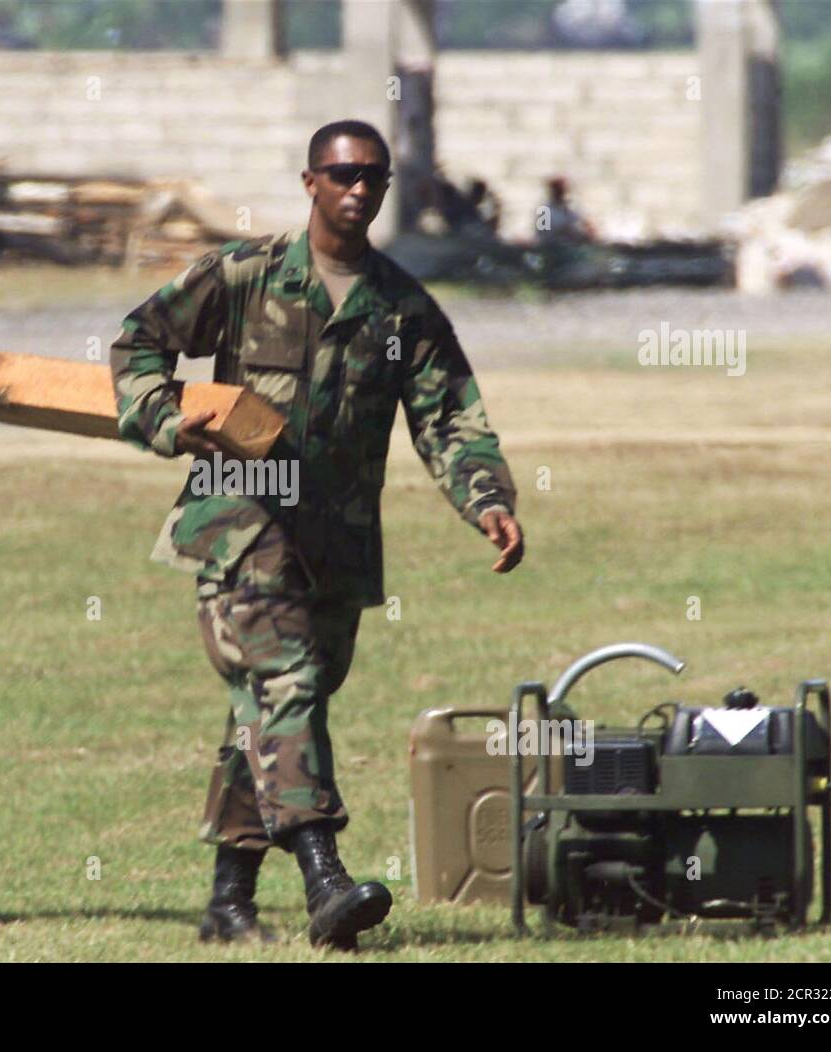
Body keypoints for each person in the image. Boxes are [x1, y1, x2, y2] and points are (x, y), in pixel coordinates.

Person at [111, 119, 523, 950]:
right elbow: (137, 343)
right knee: (289, 684)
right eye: (343, 175)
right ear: (310, 183)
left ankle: (228, 903)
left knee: (269, 711)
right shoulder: (245, 275)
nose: (360, 190)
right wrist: (166, 419)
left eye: (374, 176)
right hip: (240, 526)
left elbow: (449, 420)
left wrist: (487, 500)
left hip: (335, 547)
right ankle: (324, 876)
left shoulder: (402, 309)